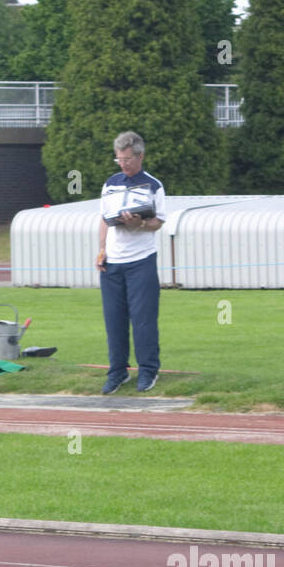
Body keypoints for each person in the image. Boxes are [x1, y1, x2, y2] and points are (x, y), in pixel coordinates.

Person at [97, 131, 168, 394]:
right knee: (114, 321)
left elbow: (157, 222)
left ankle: (148, 371)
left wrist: (139, 224)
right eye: (119, 160)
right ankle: (117, 372)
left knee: (143, 320)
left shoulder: (153, 185)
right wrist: (101, 249)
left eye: (127, 159)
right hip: (112, 264)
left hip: (141, 262)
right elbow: (104, 219)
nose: (123, 164)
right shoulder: (110, 183)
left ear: (140, 156)